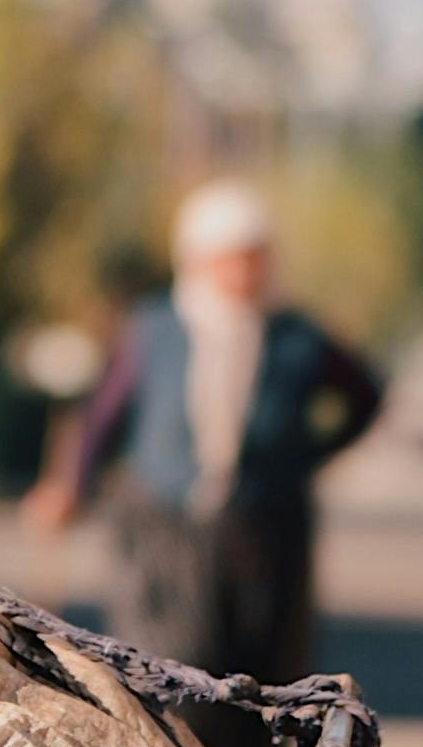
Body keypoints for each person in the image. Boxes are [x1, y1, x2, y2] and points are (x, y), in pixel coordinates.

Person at [29, 179, 386, 681]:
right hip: (163, 530)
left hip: (265, 535)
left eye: (255, 257)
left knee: (259, 685)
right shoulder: (152, 330)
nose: (245, 271)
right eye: (230, 258)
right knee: (171, 678)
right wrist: (70, 486)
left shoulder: (297, 337)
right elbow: (103, 415)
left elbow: (365, 396)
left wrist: (305, 456)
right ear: (197, 260)